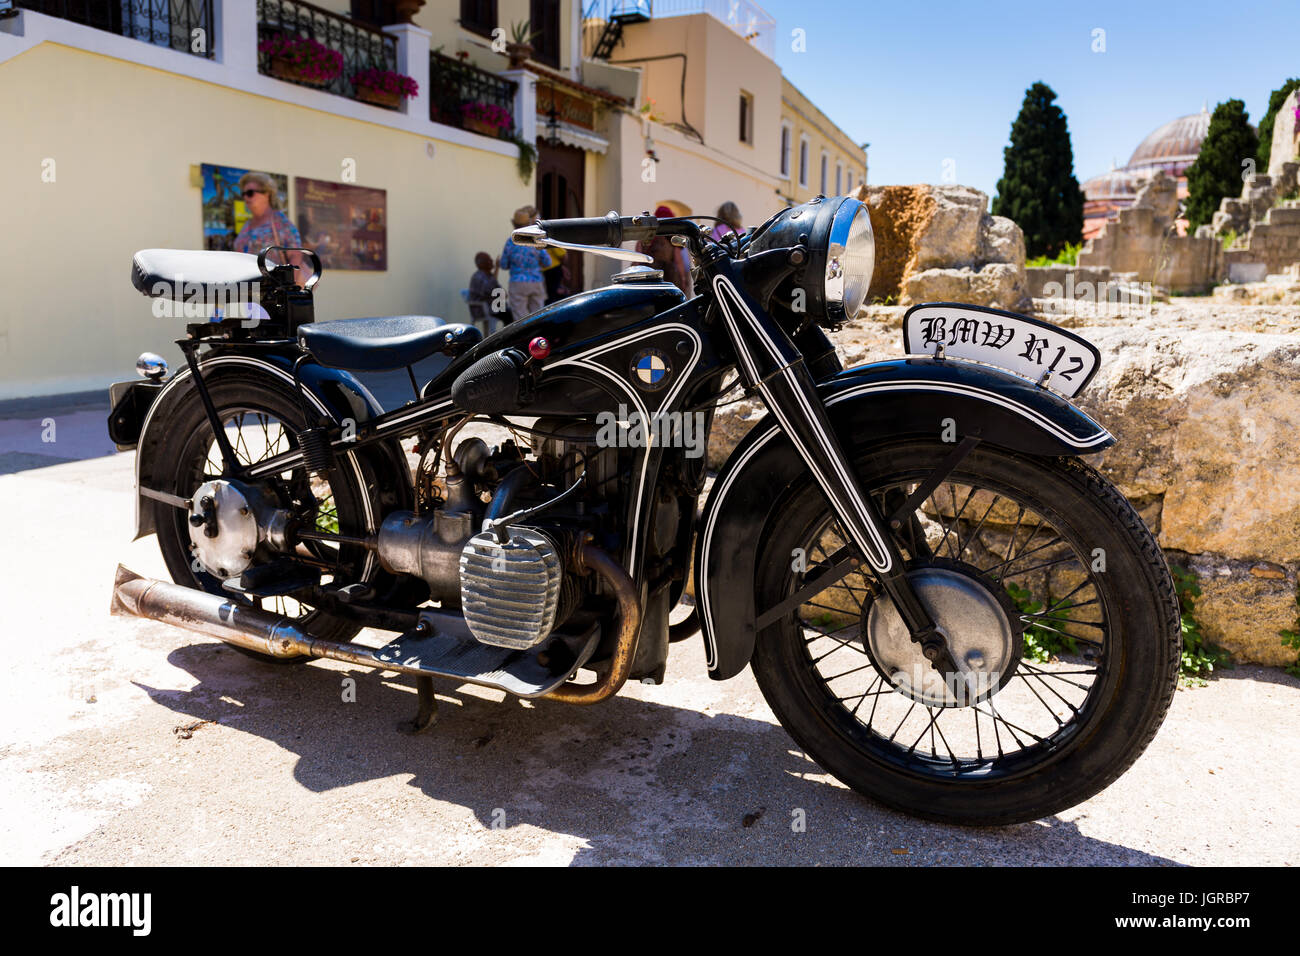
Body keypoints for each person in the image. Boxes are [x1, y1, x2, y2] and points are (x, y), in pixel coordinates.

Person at [232, 171, 307, 285]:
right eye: (243, 194)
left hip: (274, 293)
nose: (245, 197)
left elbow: (296, 256)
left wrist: (287, 289)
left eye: (250, 193)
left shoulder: (279, 221)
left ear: (266, 194)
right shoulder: (247, 225)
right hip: (250, 291)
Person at [499, 206, 549, 321]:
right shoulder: (536, 239)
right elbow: (547, 261)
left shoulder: (511, 242)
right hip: (536, 282)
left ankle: (524, 338)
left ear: (514, 224)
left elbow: (503, 264)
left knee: (520, 318)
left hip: (517, 283)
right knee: (538, 316)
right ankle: (537, 337)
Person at [637, 205, 694, 297]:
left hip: (650, 278)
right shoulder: (672, 236)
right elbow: (678, 260)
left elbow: (638, 259)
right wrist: (683, 279)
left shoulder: (647, 235)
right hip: (669, 277)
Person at [467, 251, 503, 330]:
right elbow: (491, 291)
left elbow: (498, 289)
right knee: (508, 315)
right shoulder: (479, 277)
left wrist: (497, 268)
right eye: (489, 259)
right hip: (482, 309)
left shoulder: (488, 275)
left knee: (508, 312)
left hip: (490, 307)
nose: (492, 261)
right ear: (482, 264)